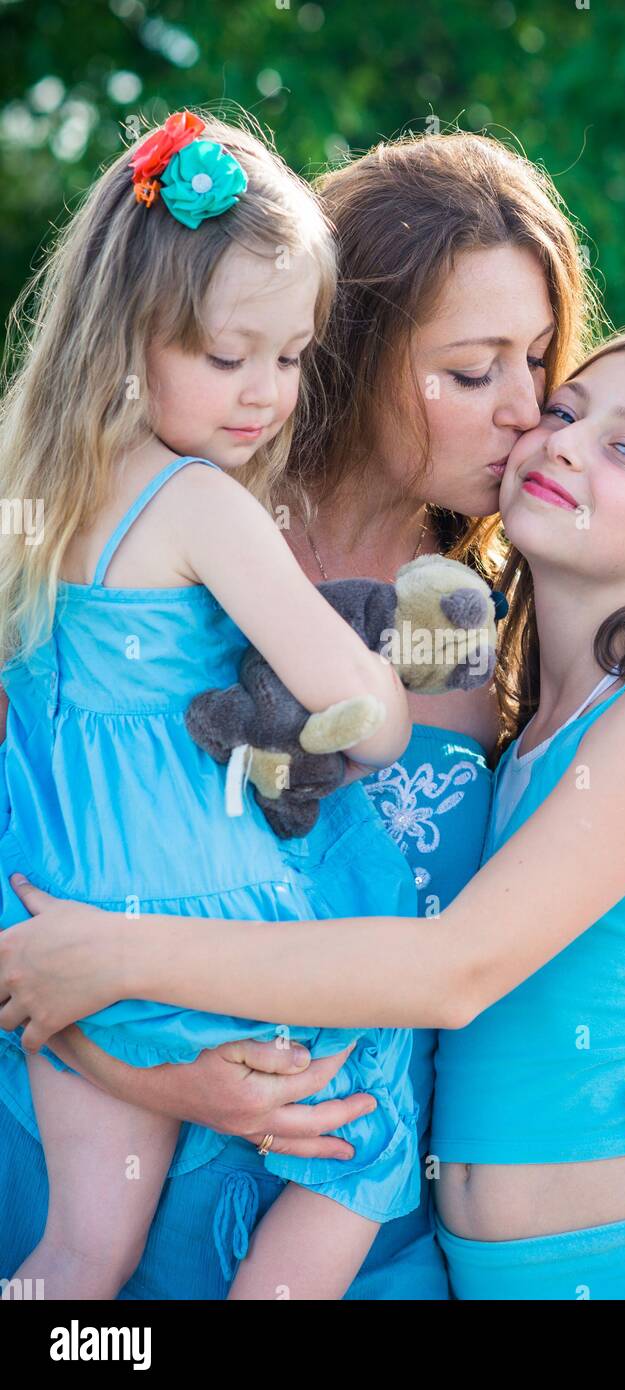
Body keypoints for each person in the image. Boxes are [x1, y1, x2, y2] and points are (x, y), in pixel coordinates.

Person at [0, 132, 625, 1301]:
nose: (528, 417)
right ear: (342, 349)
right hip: (112, 1176)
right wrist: (150, 1070)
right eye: (473, 373)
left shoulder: (514, 616)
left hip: (362, 1226)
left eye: (544, 369)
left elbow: (522, 932)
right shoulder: (132, 550)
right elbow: (48, 852)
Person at [0, 108, 441, 1301]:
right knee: (371, 1103)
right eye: (224, 354)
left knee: (80, 1259)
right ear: (124, 336)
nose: (264, 393)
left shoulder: (26, 488)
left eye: (292, 356)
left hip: (46, 906)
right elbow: (372, 716)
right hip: (200, 921)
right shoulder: (198, 501)